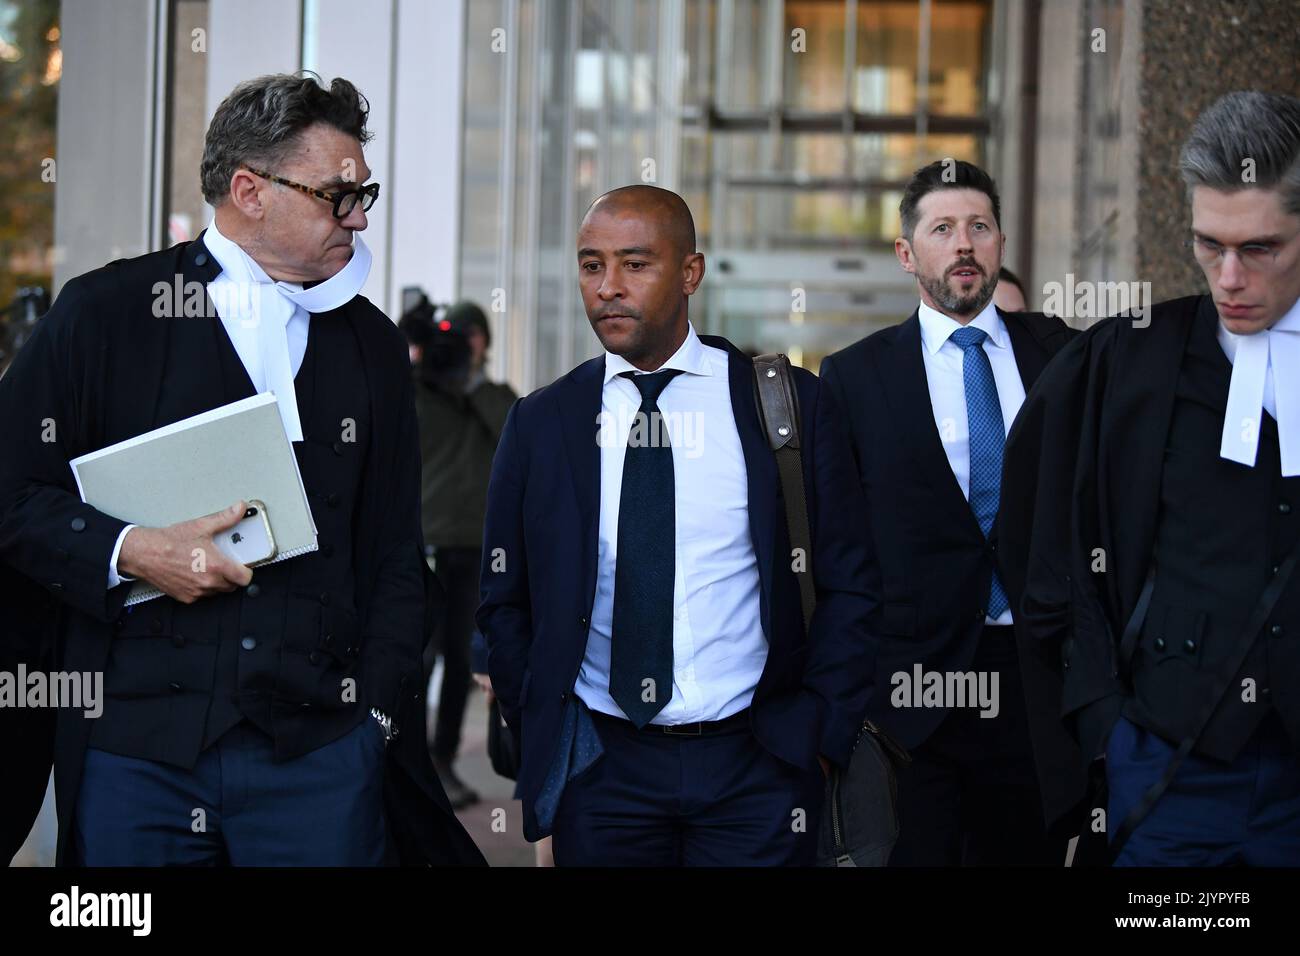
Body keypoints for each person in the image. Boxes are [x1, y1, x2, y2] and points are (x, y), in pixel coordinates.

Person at [0, 72, 483, 866]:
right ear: (250, 190)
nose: (359, 218)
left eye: (367, 193)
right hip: (134, 756)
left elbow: (398, 556)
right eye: (338, 195)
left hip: (321, 761)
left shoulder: (370, 347)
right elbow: (12, 492)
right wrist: (131, 551)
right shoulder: (103, 314)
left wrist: (377, 726)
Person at [478, 184, 879, 866]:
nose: (608, 287)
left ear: (690, 273)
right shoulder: (542, 422)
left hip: (758, 762)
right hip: (603, 769)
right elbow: (502, 597)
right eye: (590, 264)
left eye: (635, 264)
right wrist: (546, 722)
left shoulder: (784, 408)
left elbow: (851, 582)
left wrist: (818, 728)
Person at [1000, 90, 1300, 866]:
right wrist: (1105, 721)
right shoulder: (1123, 361)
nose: (1228, 276)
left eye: (1261, 248)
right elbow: (1040, 538)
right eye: (1210, 245)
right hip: (1166, 774)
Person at [819, 160, 1074, 865]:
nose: (963, 244)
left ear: (998, 243)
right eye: (942, 229)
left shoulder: (1064, 356)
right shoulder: (855, 376)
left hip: (1034, 679)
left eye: (979, 227)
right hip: (909, 695)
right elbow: (837, 539)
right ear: (908, 253)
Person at [405, 298, 516, 808]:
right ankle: (407, 760)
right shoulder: (416, 391)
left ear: (484, 344)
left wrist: (471, 384)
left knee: (459, 660)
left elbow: (512, 442)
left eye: (470, 335)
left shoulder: (494, 396)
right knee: (417, 656)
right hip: (423, 545)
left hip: (474, 548)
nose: (460, 345)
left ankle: (443, 760)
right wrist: (413, 357)